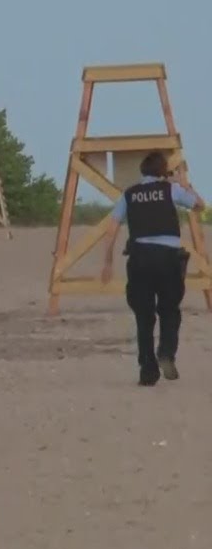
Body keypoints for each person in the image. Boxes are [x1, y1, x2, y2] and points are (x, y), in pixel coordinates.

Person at [100, 152, 206, 386]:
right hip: (168, 258)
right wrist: (184, 184)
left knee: (143, 316)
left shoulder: (130, 194)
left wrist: (107, 262)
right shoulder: (171, 190)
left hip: (139, 258)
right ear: (163, 172)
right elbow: (200, 206)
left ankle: (147, 371)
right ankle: (166, 352)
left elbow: (112, 228)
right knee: (169, 310)